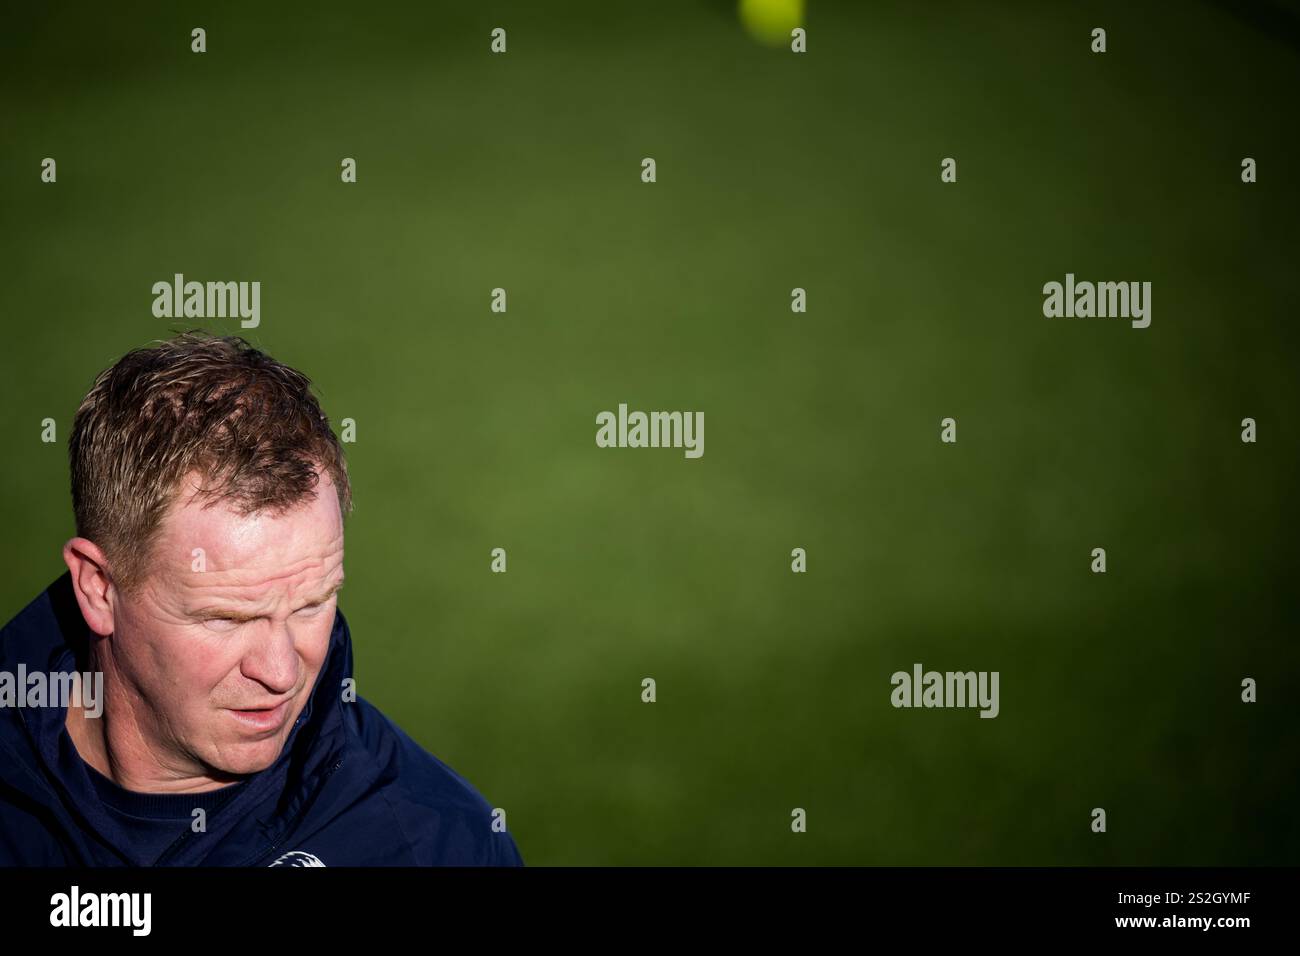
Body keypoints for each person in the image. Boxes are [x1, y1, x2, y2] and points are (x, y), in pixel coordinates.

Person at [0, 332, 523, 866]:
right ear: (98, 587)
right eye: (228, 618)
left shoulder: (436, 845)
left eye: (310, 605)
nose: (280, 674)